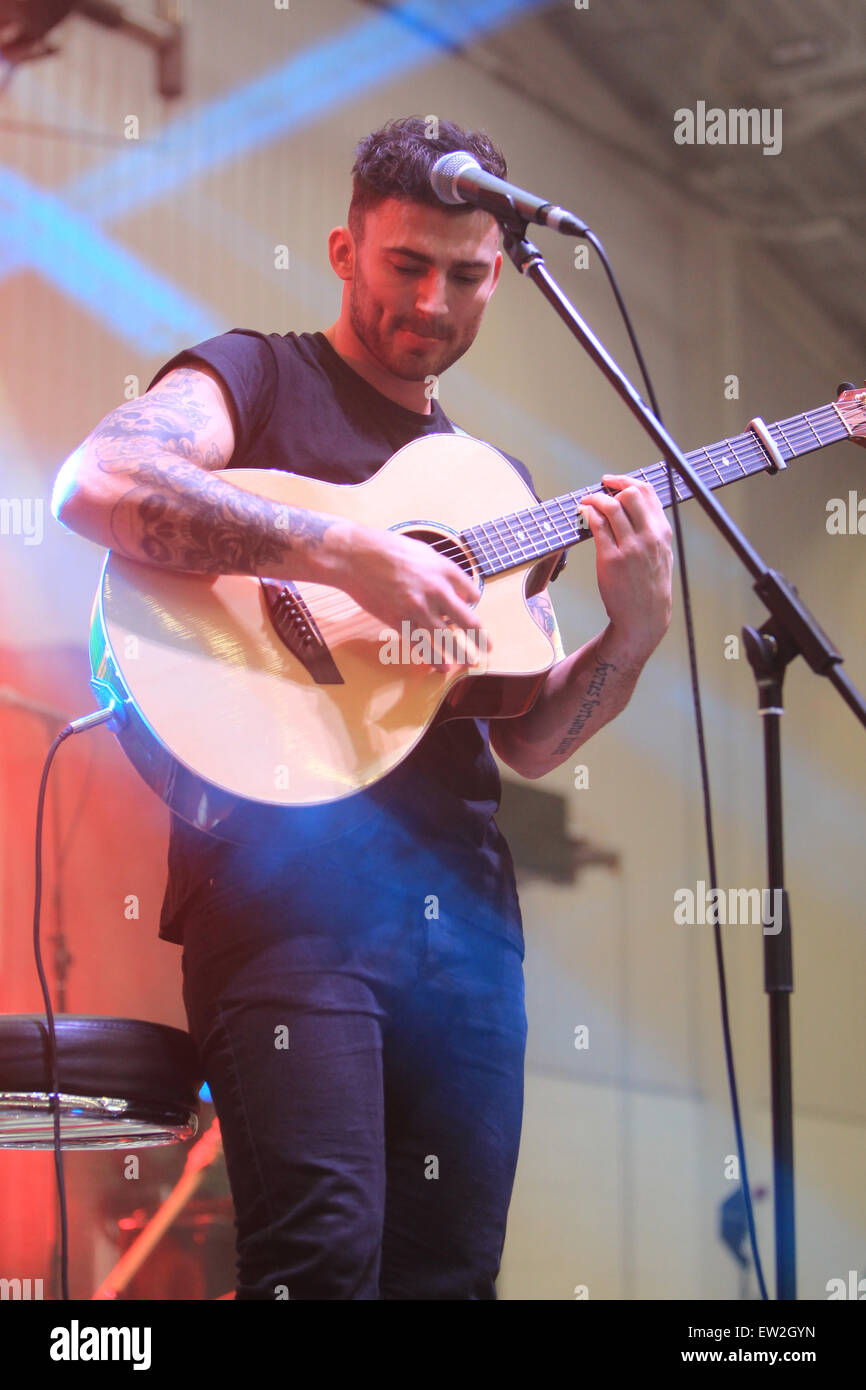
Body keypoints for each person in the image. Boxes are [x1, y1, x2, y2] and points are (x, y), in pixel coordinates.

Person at [52, 115, 673, 1299]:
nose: (433, 303)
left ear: (501, 274)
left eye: (466, 274)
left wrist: (631, 633)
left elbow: (532, 734)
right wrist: (345, 552)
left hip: (468, 926)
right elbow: (99, 484)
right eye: (405, 265)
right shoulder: (255, 374)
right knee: (321, 1263)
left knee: (448, 1278)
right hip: (285, 902)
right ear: (343, 252)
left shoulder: (491, 487)